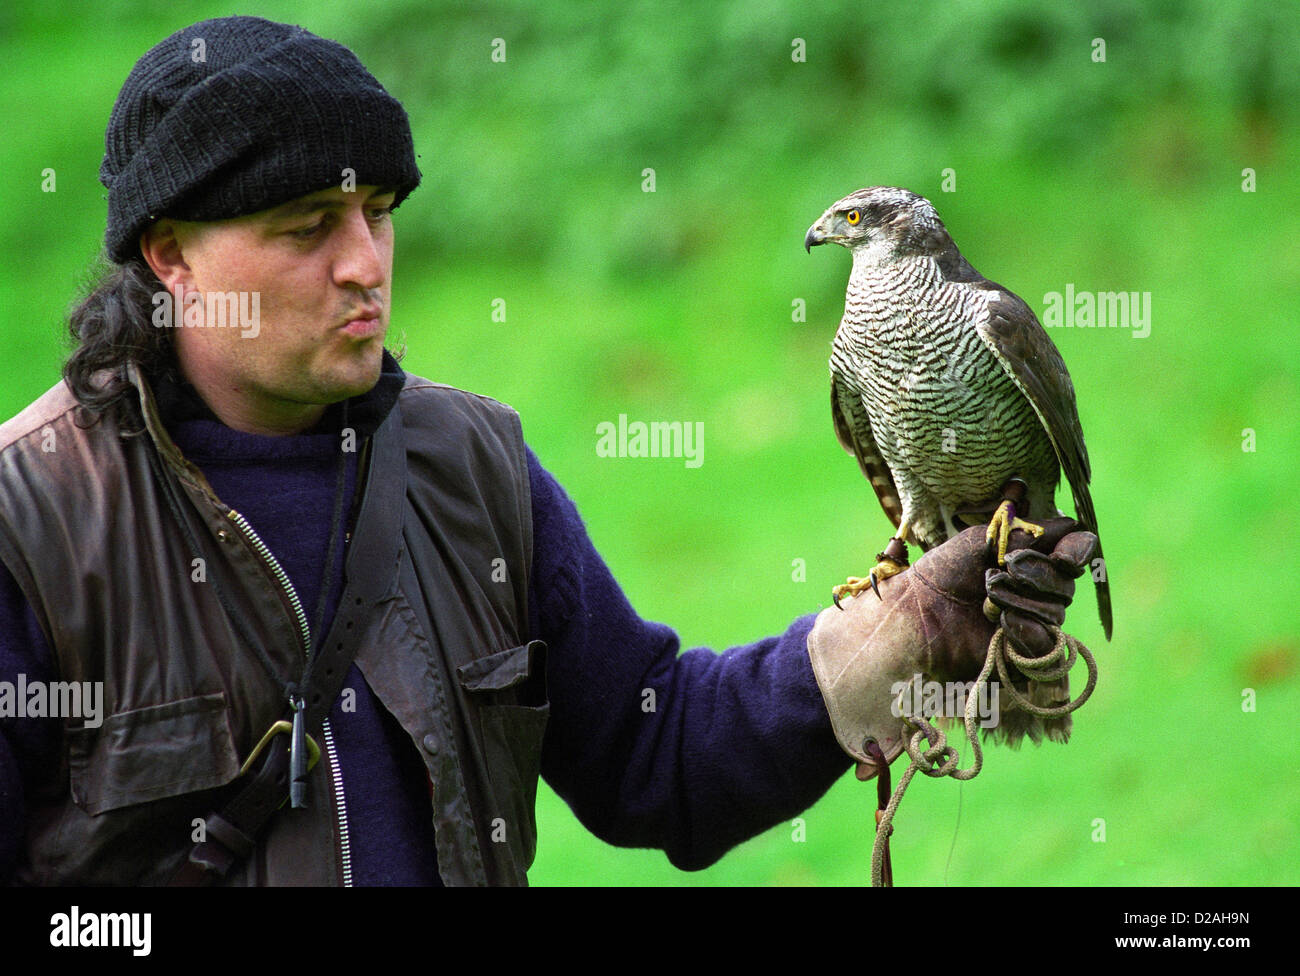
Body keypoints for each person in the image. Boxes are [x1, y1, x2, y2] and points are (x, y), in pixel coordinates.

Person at [0, 16, 1096, 886]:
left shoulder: (471, 471)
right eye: (304, 228)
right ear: (170, 254)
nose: (364, 263)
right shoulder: (33, 524)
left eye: (377, 212)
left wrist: (880, 646)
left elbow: (653, 758)